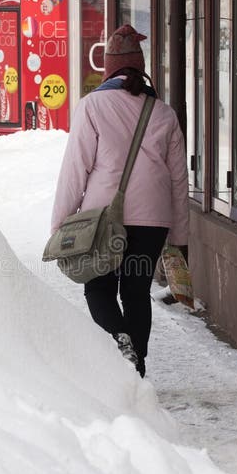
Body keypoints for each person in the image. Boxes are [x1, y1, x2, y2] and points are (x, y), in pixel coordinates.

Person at [50, 24, 189, 377]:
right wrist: (180, 240)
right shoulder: (163, 113)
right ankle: (135, 370)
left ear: (108, 68)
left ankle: (118, 340)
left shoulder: (92, 106)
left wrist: (59, 225)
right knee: (137, 292)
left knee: (98, 287)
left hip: (101, 219)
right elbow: (178, 181)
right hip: (152, 222)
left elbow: (74, 169)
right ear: (139, 67)